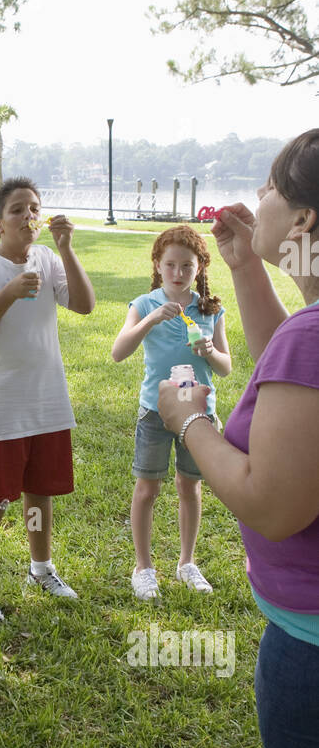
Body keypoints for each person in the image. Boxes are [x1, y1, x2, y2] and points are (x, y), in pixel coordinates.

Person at [156, 130, 319, 748]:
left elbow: (269, 500)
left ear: (304, 220)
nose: (250, 199)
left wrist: (189, 423)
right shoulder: (312, 332)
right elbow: (290, 379)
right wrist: (245, 269)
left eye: (265, 187)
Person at [0, 177, 95, 623]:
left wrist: (67, 248)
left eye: (33, 207)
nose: (28, 215)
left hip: (46, 397)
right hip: (1, 403)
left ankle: (40, 568)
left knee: (40, 491)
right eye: (17, 209)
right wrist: (8, 294)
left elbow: (85, 305)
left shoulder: (48, 258)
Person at [112, 225, 231, 599]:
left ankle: (186, 563)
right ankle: (143, 567)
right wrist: (151, 319)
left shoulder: (210, 309)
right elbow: (118, 352)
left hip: (198, 413)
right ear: (158, 266)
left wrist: (210, 351)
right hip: (156, 412)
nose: (178, 274)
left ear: (200, 268)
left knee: (189, 487)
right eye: (170, 265)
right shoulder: (143, 304)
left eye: (187, 266)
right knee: (147, 487)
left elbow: (226, 367)